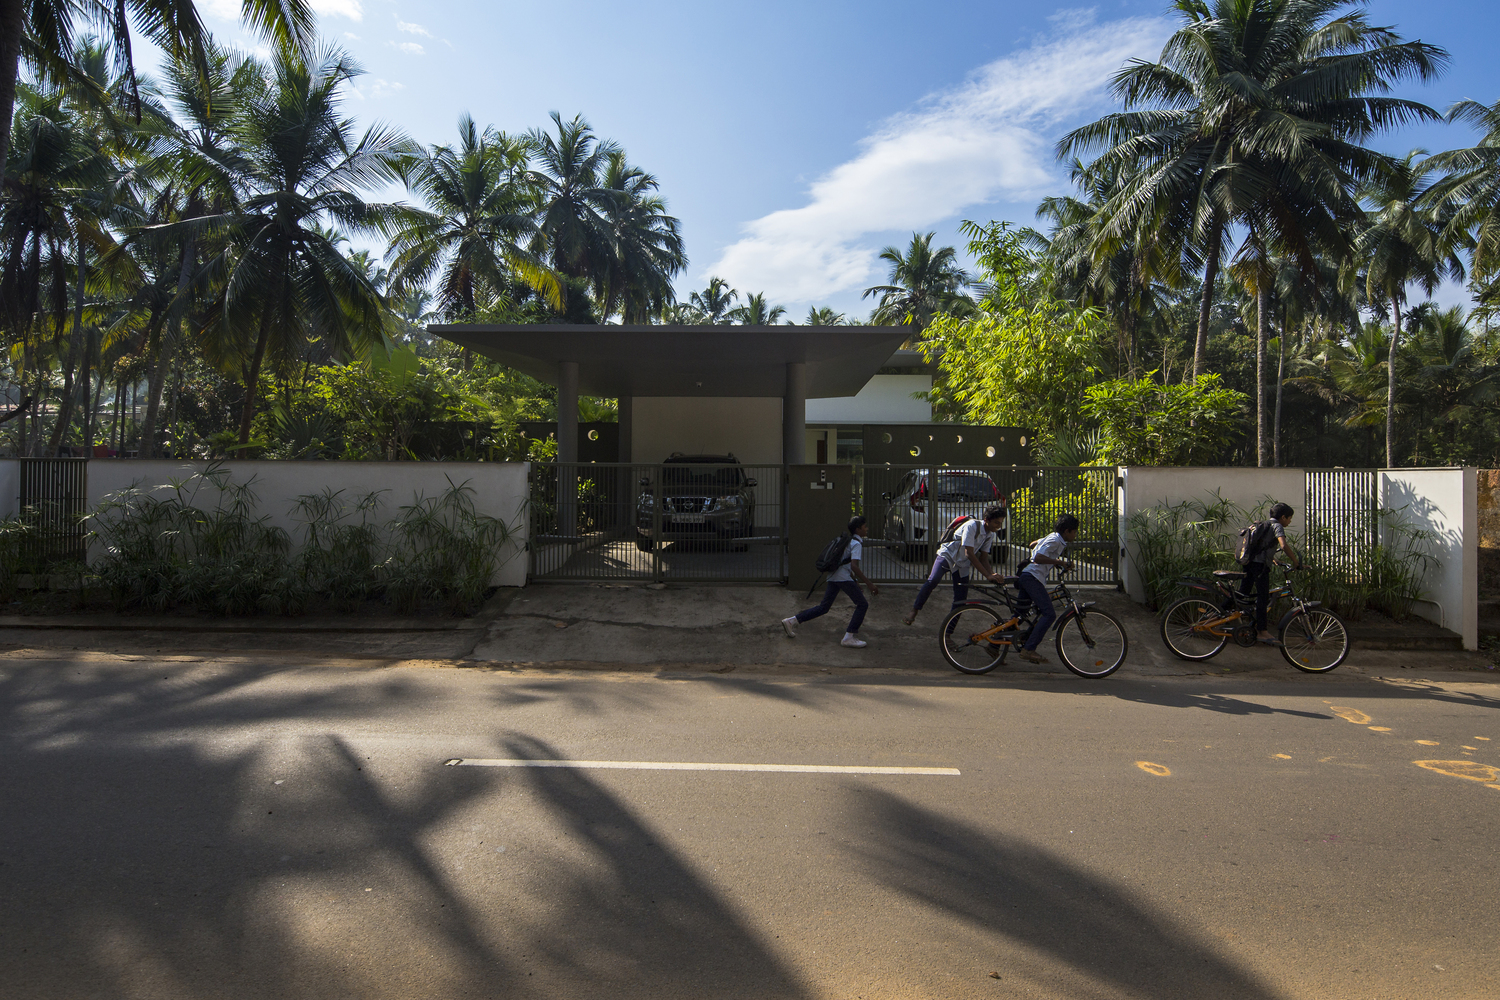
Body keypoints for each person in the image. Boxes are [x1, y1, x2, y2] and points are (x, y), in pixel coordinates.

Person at [782, 515, 881, 648]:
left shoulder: (848, 541)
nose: (867, 529)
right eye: (865, 527)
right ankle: (849, 636)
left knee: (824, 607)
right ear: (858, 529)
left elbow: (845, 564)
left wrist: (855, 582)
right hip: (843, 578)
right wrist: (869, 584)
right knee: (862, 604)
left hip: (834, 576)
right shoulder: (856, 544)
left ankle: (791, 621)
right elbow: (853, 566)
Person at [903, 504, 1007, 626]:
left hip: (962, 563)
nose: (999, 526)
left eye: (1001, 523)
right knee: (933, 580)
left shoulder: (990, 535)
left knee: (961, 600)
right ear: (986, 520)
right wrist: (987, 575)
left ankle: (947, 633)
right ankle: (914, 610)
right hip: (948, 555)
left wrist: (992, 574)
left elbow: (984, 558)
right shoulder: (972, 526)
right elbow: (969, 553)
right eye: (996, 523)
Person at [1015, 514, 1078, 664]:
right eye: (1074, 531)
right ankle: (1029, 649)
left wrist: (1053, 561)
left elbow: (1033, 544)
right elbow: (1037, 557)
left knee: (1019, 615)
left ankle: (994, 646)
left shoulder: (1055, 538)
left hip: (1029, 577)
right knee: (1049, 614)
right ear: (1067, 531)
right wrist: (1058, 561)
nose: (1075, 535)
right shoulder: (1055, 540)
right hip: (1032, 578)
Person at [1242, 502, 1302, 646]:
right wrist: (1296, 562)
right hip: (1260, 567)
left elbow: (1260, 547)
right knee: (1263, 598)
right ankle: (1262, 631)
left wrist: (1273, 559)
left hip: (1249, 563)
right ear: (1283, 517)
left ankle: (1215, 614)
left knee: (1242, 595)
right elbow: (1283, 545)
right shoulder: (1277, 526)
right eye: (1290, 518)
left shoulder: (1263, 524)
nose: (1290, 521)